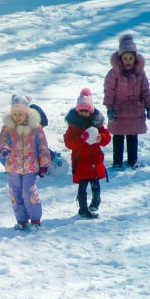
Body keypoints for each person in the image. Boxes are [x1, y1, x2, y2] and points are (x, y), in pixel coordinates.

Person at [0, 94, 51, 231]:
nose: (17, 117)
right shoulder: (8, 127)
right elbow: (2, 141)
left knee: (29, 193)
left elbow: (42, 146)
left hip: (30, 167)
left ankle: (35, 219)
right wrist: (4, 149)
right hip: (13, 167)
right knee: (15, 193)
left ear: (26, 113)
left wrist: (44, 164)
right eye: (14, 114)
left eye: (20, 114)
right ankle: (21, 220)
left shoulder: (35, 128)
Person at [103, 33, 150, 170]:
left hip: (135, 111)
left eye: (130, 58)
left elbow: (145, 90)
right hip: (118, 110)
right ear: (120, 58)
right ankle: (117, 162)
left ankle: (133, 160)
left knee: (132, 136)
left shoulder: (140, 73)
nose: (127, 61)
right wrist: (109, 107)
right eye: (125, 58)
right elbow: (109, 90)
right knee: (118, 136)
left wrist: (149, 105)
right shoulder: (114, 73)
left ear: (135, 58)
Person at [63, 89, 111, 219]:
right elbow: (68, 142)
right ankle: (83, 208)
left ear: (91, 111)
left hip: (94, 161)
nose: (83, 113)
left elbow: (107, 136)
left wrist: (101, 137)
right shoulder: (73, 126)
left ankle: (95, 203)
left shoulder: (97, 124)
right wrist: (80, 139)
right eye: (81, 110)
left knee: (96, 185)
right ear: (77, 111)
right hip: (81, 162)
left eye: (86, 110)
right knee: (82, 187)